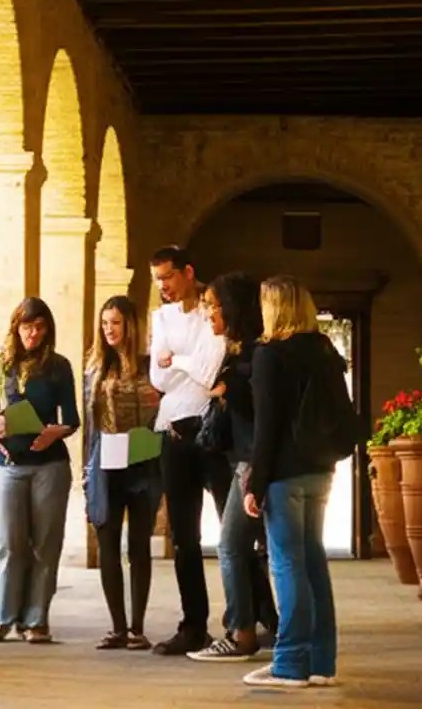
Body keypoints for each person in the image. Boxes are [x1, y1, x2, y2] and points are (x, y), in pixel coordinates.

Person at [242, 275, 340, 688]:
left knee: (286, 563)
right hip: (320, 470)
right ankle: (322, 661)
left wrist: (254, 483)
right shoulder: (324, 350)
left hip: (283, 473)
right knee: (313, 561)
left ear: (275, 308)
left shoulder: (270, 355)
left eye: (264, 303)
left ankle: (289, 663)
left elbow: (267, 427)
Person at [188, 272, 279, 662]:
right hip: (244, 460)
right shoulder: (238, 351)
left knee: (231, 546)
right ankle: (255, 628)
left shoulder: (255, 355)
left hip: (252, 463)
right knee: (255, 549)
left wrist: (228, 390)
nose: (208, 313)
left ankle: (241, 633)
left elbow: (264, 416)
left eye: (213, 305)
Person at [0, 297, 80, 644]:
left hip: (48, 464)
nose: (33, 334)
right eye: (27, 327)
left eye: (39, 327)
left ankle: (37, 620)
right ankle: (6, 618)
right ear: (15, 327)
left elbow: (72, 418)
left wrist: (56, 431)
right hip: (6, 463)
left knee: (45, 544)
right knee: (8, 543)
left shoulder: (58, 366)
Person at [146, 246, 230, 655]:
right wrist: (185, 365)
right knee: (185, 537)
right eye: (157, 279)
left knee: (233, 532)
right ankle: (193, 626)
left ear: (188, 272)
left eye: (167, 277)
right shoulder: (160, 317)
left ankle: (251, 619)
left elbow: (210, 369)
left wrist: (176, 359)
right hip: (173, 432)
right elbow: (157, 378)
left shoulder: (212, 311)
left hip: (213, 434)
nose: (162, 286)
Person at [83, 296, 162, 651]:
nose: (109, 330)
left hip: (144, 461)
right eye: (105, 324)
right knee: (108, 544)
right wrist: (85, 470)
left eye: (115, 323)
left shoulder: (150, 367)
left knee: (139, 545)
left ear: (129, 325)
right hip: (106, 464)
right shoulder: (95, 368)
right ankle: (116, 627)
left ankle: (137, 627)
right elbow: (89, 426)